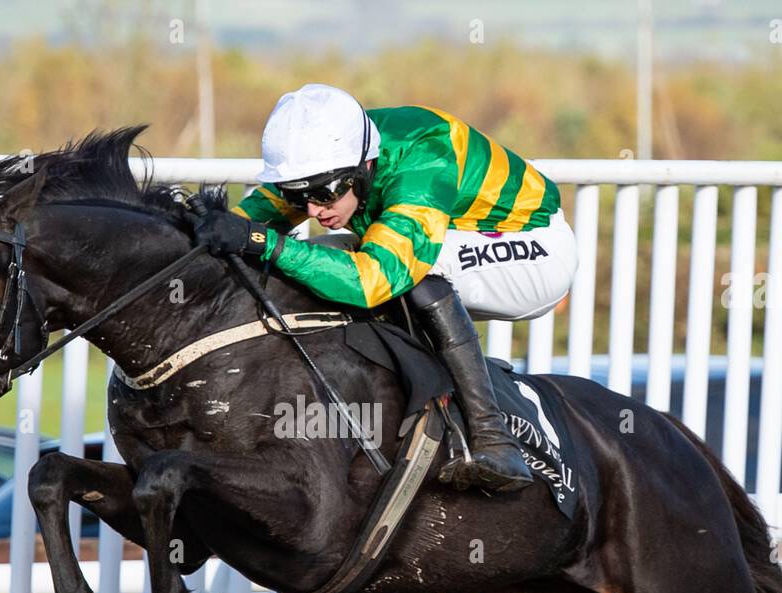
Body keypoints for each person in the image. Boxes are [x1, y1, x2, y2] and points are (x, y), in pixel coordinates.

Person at [191, 83, 578, 493]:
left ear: (364, 167)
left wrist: (262, 242)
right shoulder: (329, 151)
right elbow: (246, 224)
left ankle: (493, 439)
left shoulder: (421, 162)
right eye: (295, 195)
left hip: (534, 250)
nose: (312, 210)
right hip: (461, 234)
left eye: (323, 194)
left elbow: (373, 279)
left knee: (403, 272)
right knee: (313, 262)